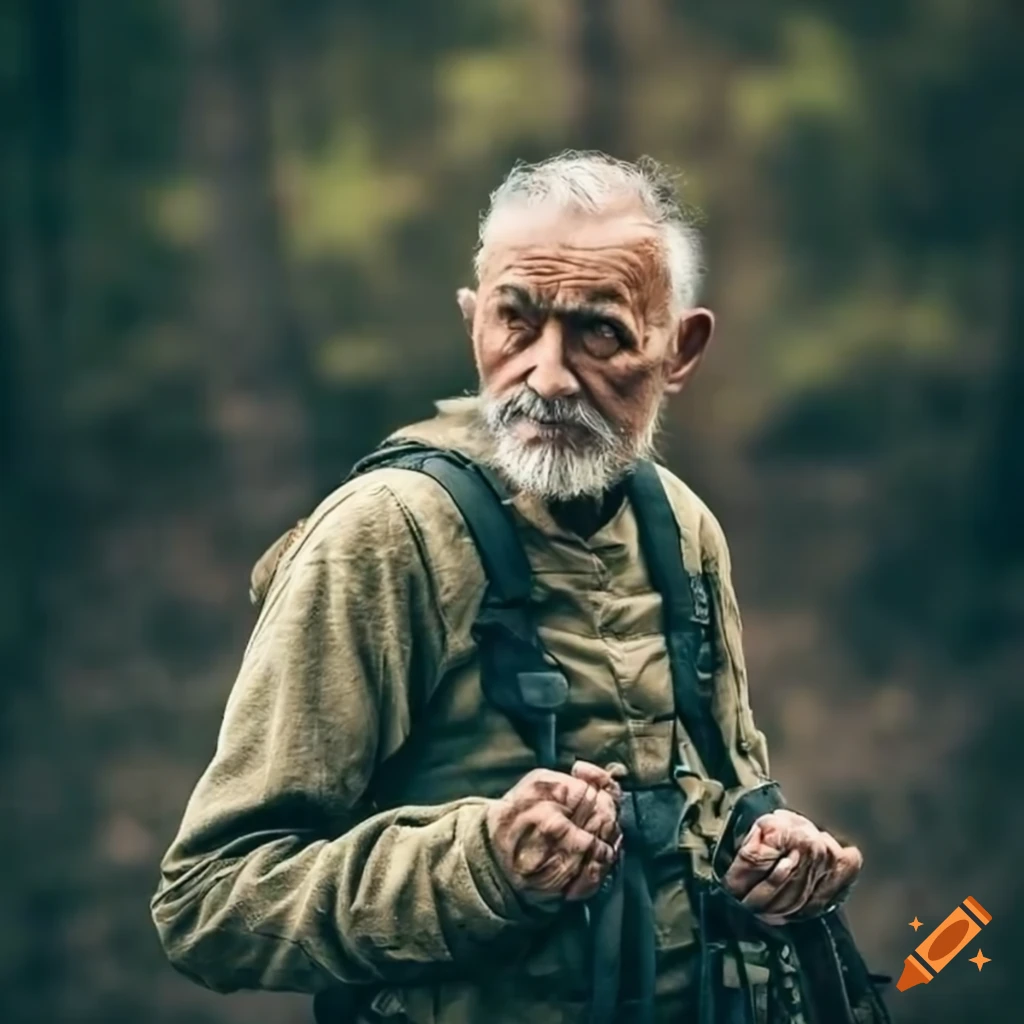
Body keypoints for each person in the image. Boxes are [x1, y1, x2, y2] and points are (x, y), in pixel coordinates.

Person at [152, 152, 888, 1024]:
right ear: (473, 323)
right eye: (516, 322)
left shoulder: (683, 528)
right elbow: (209, 902)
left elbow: (715, 796)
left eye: (600, 331)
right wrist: (482, 866)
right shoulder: (384, 536)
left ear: (680, 348)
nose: (546, 374)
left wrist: (769, 857)